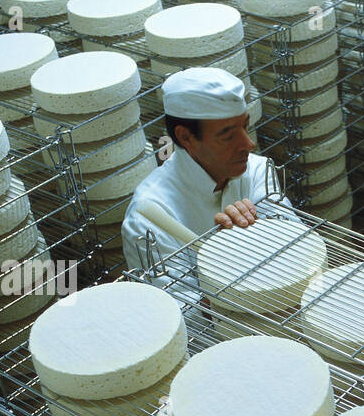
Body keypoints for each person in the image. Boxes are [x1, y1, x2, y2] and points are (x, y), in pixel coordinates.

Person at [121, 67, 296, 281]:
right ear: (186, 137)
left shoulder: (259, 170)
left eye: (245, 127)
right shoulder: (147, 219)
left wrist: (254, 238)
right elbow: (183, 308)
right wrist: (221, 264)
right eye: (228, 136)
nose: (248, 144)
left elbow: (298, 246)